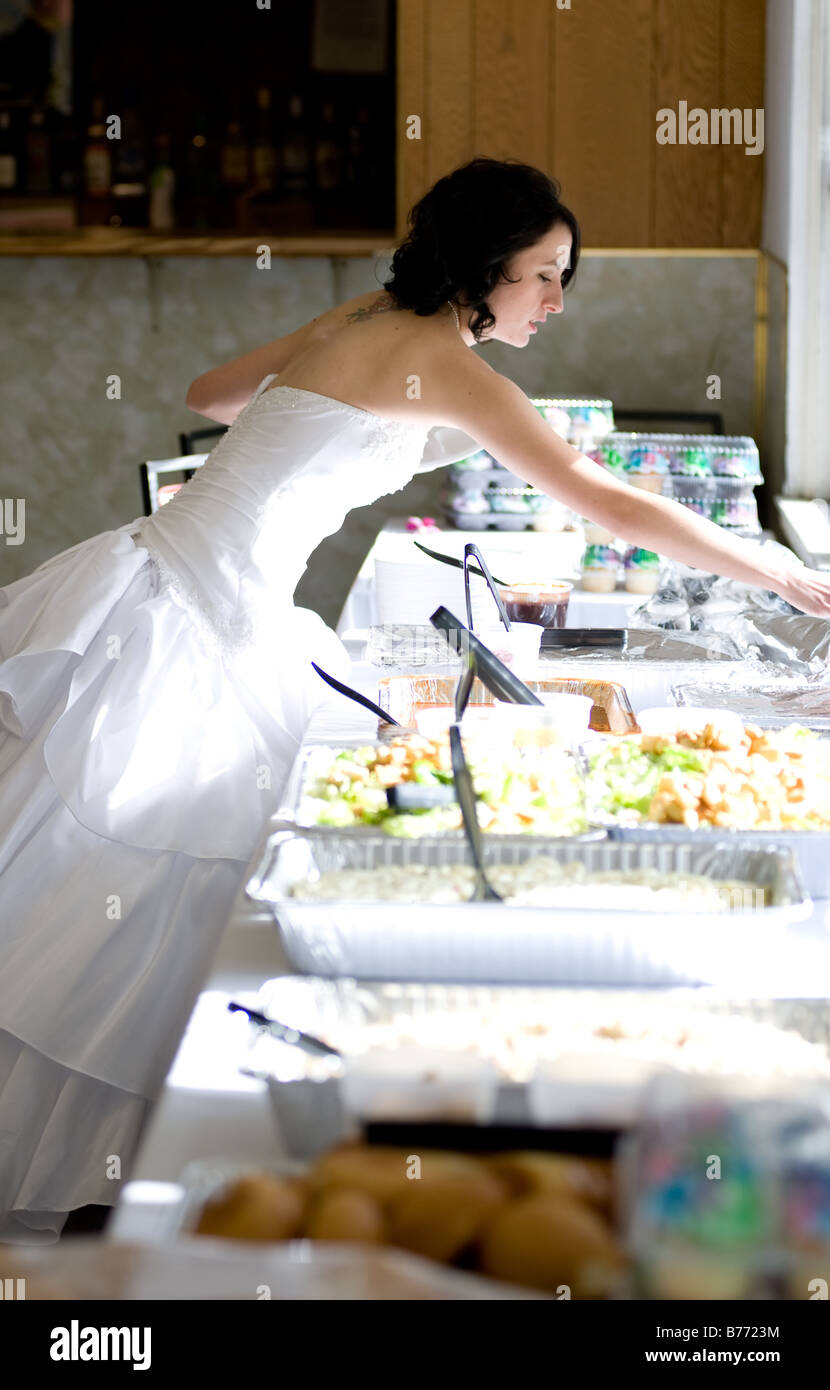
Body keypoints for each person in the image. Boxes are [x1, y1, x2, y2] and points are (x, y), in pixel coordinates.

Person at [0, 157, 828, 1245]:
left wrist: (332, 357)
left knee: (111, 884)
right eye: (544, 275)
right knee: (142, 885)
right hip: (198, 624)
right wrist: (772, 570)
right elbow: (598, 500)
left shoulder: (377, 319)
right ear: (485, 269)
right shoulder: (440, 358)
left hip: (160, 578)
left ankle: (130, 1172)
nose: (555, 300)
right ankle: (130, 1183)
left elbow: (207, 397)